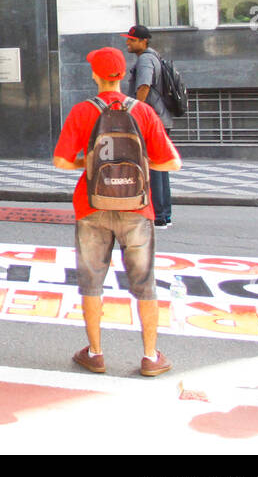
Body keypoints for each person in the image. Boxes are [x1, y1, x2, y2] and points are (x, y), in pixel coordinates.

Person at [53, 47, 181, 378]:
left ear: (95, 75)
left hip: (91, 205)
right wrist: (141, 162)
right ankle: (151, 356)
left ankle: (95, 353)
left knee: (92, 282)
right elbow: (172, 162)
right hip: (138, 207)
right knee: (145, 283)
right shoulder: (143, 112)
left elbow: (61, 161)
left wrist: (89, 161)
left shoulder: (83, 111)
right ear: (123, 76)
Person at [124, 25, 176, 229]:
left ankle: (157, 215)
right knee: (159, 168)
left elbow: (143, 86)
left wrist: (137, 113)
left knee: (151, 169)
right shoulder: (154, 57)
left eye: (131, 39)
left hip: (150, 120)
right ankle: (164, 215)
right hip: (160, 120)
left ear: (143, 41)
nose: (127, 43)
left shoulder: (145, 59)